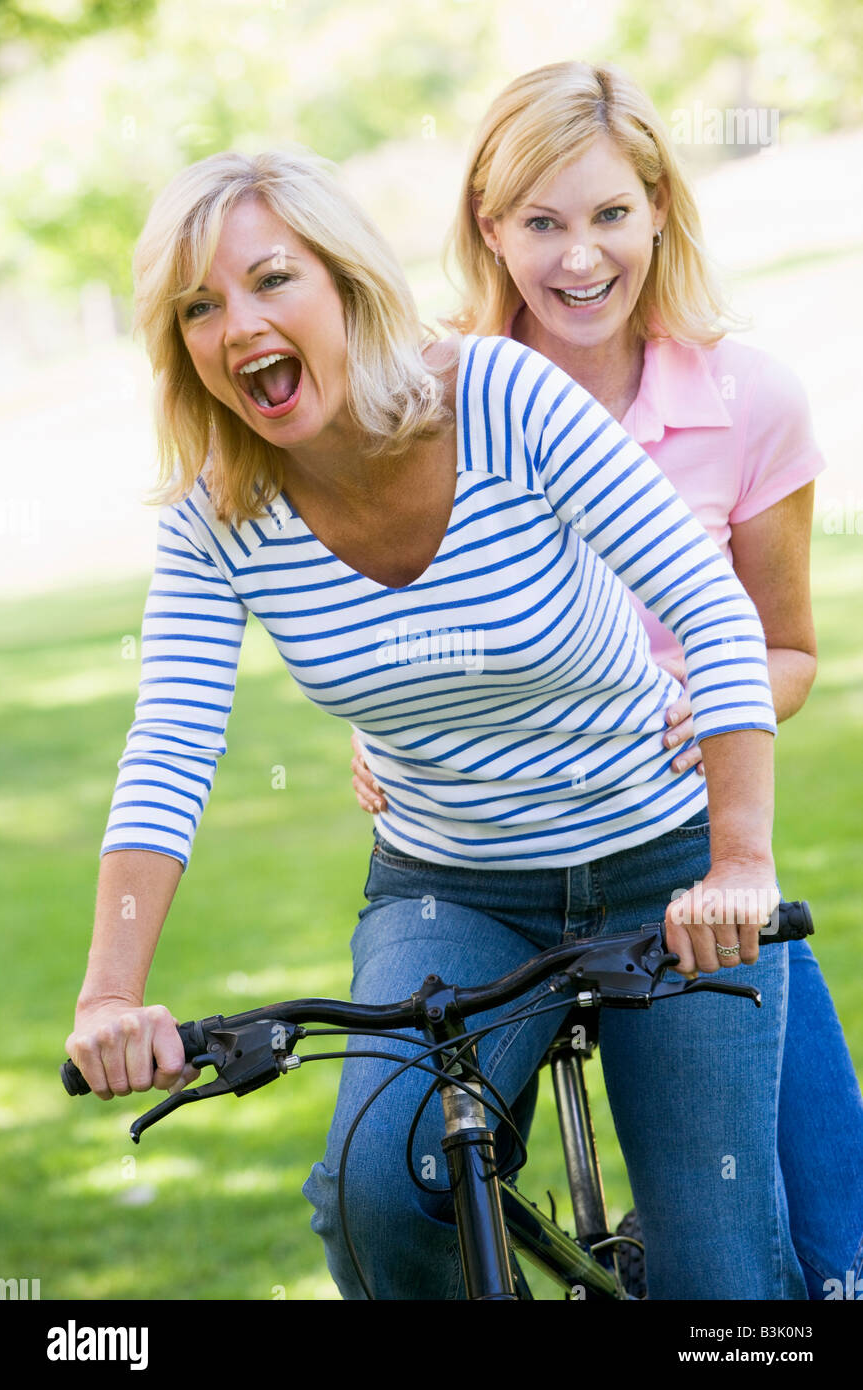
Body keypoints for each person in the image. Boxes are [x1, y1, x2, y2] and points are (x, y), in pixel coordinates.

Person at [66, 144, 814, 1302]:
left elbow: (711, 611)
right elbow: (169, 743)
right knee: (377, 1196)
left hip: (663, 863)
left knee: (720, 1280)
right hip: (450, 887)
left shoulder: (499, 397)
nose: (238, 326)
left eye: (271, 280)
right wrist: (109, 994)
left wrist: (737, 864)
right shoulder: (215, 510)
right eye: (199, 307)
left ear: (345, 282)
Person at [348, 60, 863, 1300]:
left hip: (682, 840)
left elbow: (784, 648)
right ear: (489, 229)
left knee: (812, 1253)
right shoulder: (424, 408)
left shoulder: (750, 404)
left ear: (657, 212)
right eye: (540, 222)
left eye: (608, 215)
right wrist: (379, 729)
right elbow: (373, 619)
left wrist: (718, 710)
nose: (579, 256)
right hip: (488, 854)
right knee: (393, 1181)